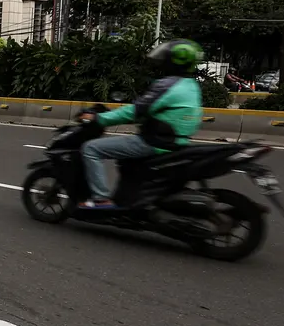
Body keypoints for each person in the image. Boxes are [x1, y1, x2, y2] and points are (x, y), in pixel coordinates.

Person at [79, 39, 204, 210]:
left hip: (154, 142)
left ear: (173, 62)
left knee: (90, 149)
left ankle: (100, 199)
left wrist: (100, 119)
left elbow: (136, 111)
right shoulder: (191, 86)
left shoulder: (167, 85)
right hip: (177, 142)